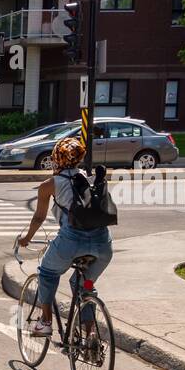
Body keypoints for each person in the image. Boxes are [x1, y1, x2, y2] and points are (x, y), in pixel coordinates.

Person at [17, 137, 113, 337]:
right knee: (85, 285)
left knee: (47, 273)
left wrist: (26, 238)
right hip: (103, 245)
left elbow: (39, 217)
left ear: (56, 159)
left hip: (71, 242)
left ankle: (45, 322)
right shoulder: (92, 178)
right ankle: (90, 334)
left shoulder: (50, 184)